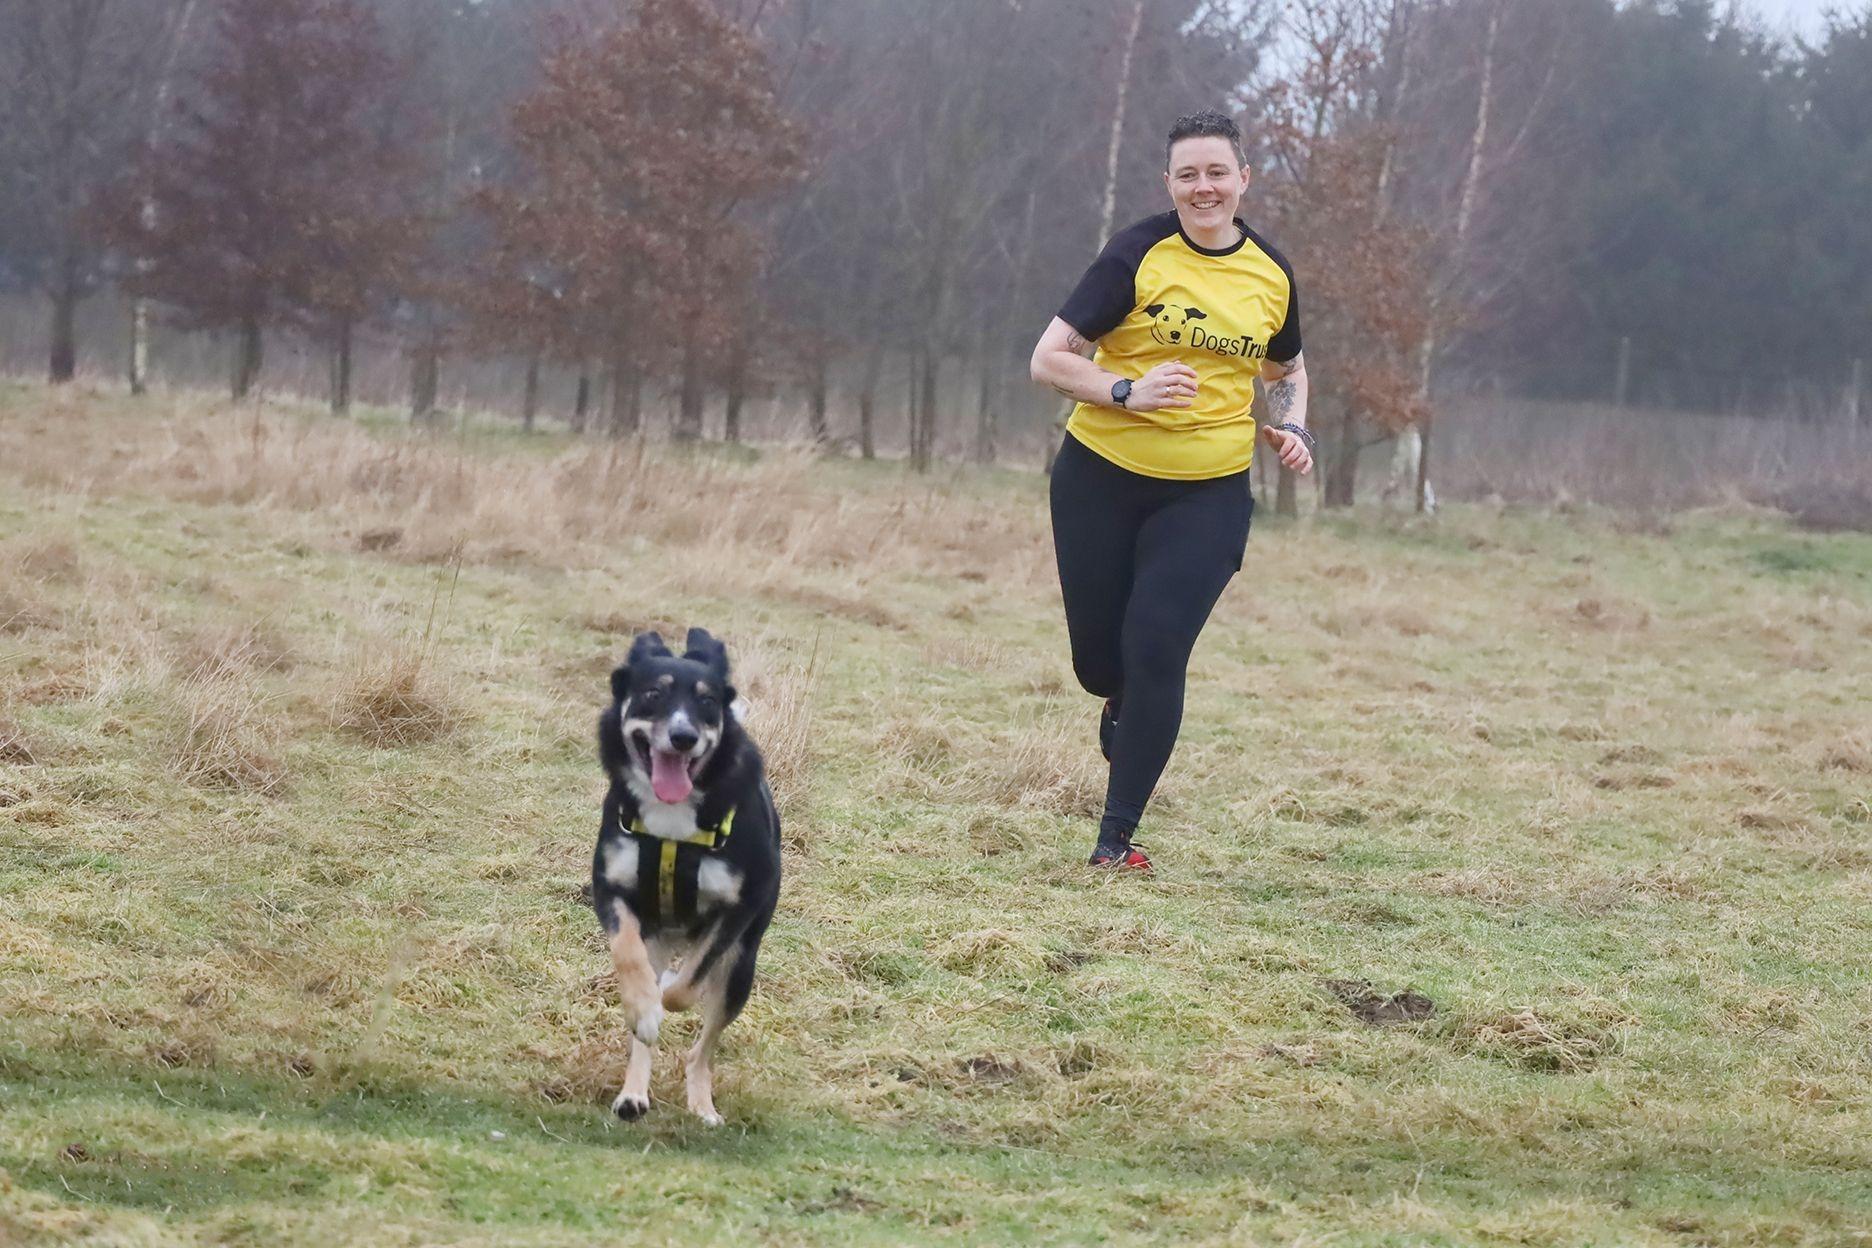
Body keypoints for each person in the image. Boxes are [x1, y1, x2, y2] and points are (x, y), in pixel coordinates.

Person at [1029, 109, 1314, 871]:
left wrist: (1296, 427)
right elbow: (1049, 359)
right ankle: (1118, 697)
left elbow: (1286, 372)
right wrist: (1126, 389)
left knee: (1157, 646)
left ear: (1244, 179)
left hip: (1208, 491)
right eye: (1188, 174)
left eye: (1217, 172)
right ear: (1170, 184)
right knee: (1102, 663)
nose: (1204, 187)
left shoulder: (1271, 274)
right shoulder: (1135, 254)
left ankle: (1114, 840)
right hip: (1100, 478)